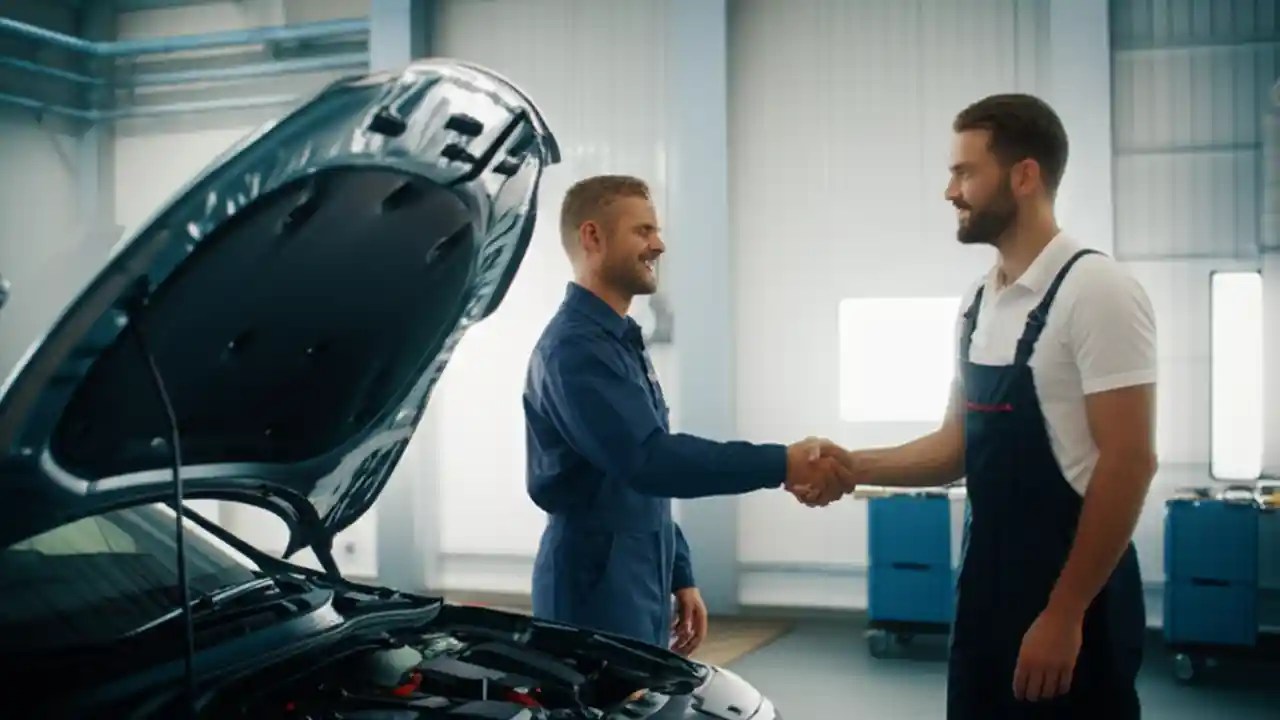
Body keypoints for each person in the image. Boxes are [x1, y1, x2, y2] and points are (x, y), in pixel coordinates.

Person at [822, 95, 1158, 717]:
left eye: (964, 171)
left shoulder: (1098, 292)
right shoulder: (979, 300)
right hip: (985, 584)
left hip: (1072, 592)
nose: (951, 191)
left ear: (1024, 175)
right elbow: (956, 447)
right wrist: (850, 465)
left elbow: (1130, 462)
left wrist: (1064, 613)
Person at [523, 174, 848, 655]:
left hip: (640, 573)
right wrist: (783, 463)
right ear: (592, 236)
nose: (659, 245)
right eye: (643, 231)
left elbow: (637, 476)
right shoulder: (574, 350)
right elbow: (651, 461)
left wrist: (679, 572)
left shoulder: (619, 342)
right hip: (594, 587)